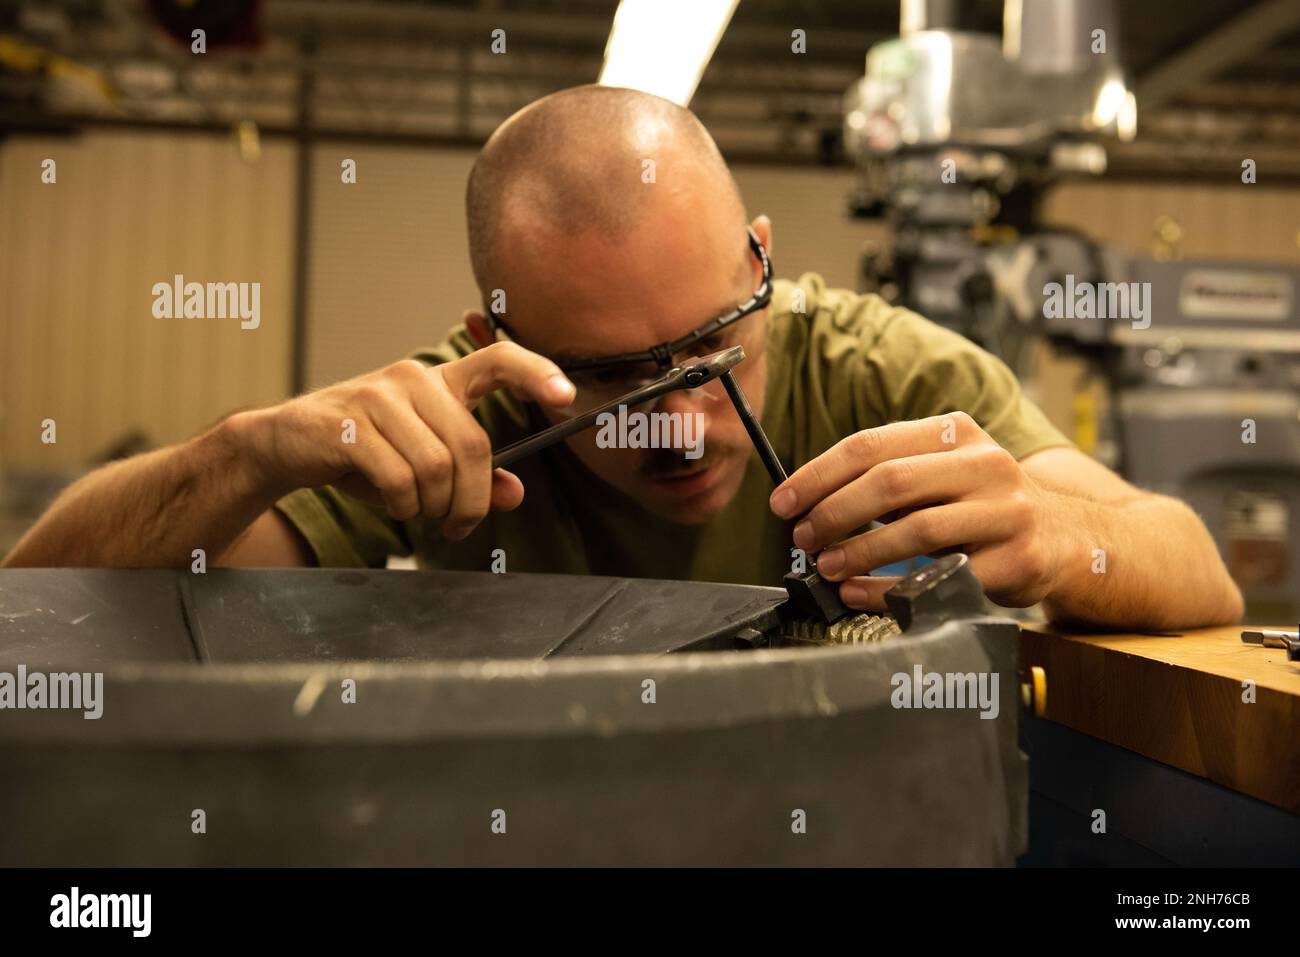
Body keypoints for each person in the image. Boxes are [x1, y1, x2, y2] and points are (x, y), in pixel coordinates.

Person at [4, 85, 1242, 630]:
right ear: (495, 340)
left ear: (762, 257)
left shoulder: (878, 372)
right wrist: (243, 452)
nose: (684, 420)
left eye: (715, 342)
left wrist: (1050, 529)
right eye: (609, 380)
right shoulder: (454, 424)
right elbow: (36, 602)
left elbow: (1196, 570)